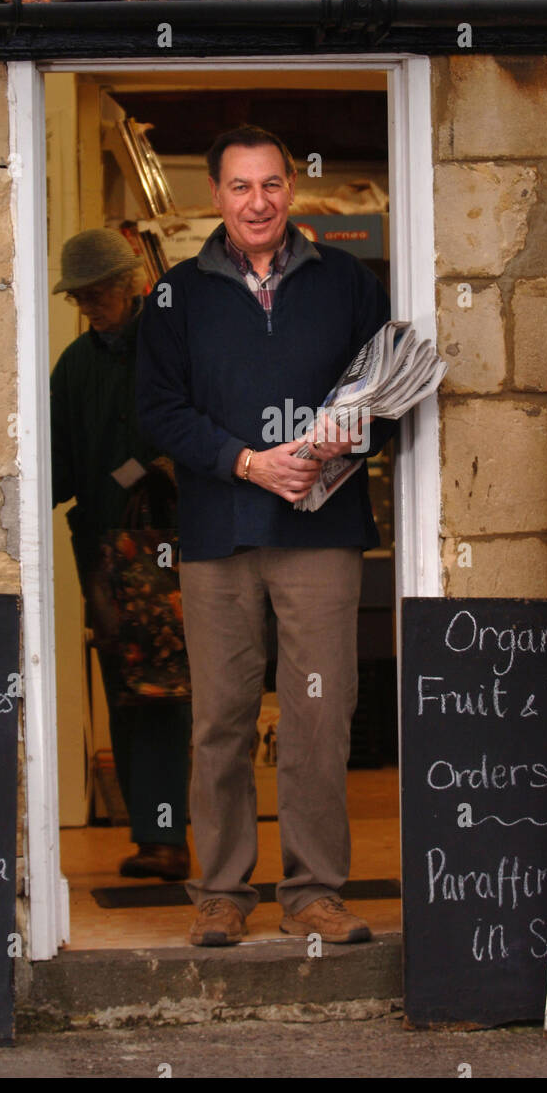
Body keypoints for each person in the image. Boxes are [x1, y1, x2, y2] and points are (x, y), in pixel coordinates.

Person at [136, 125, 395, 945]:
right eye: (241, 186)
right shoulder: (175, 295)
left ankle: (314, 891)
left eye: (273, 184)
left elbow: (387, 394)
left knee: (321, 715)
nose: (259, 201)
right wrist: (247, 462)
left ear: (293, 188)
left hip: (322, 530)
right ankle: (220, 891)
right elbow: (158, 411)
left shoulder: (348, 281)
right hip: (218, 533)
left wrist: (334, 443)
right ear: (215, 195)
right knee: (221, 716)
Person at [50, 228, 192, 881]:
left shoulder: (170, 349)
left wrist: (147, 472)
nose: (91, 306)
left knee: (160, 688)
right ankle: (150, 836)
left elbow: (200, 437)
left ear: (133, 283)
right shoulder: (74, 367)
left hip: (167, 546)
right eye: (81, 298)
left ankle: (166, 838)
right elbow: (57, 471)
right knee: (124, 692)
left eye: (98, 292)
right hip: (103, 551)